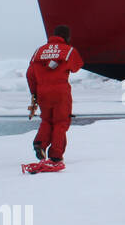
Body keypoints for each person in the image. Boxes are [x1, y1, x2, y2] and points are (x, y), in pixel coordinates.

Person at [26, 24, 83, 168]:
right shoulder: (69, 51)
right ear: (67, 37)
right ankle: (56, 156)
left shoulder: (38, 51)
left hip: (42, 92)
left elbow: (30, 74)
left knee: (47, 120)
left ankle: (40, 143)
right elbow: (77, 67)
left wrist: (34, 93)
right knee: (61, 122)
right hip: (60, 92)